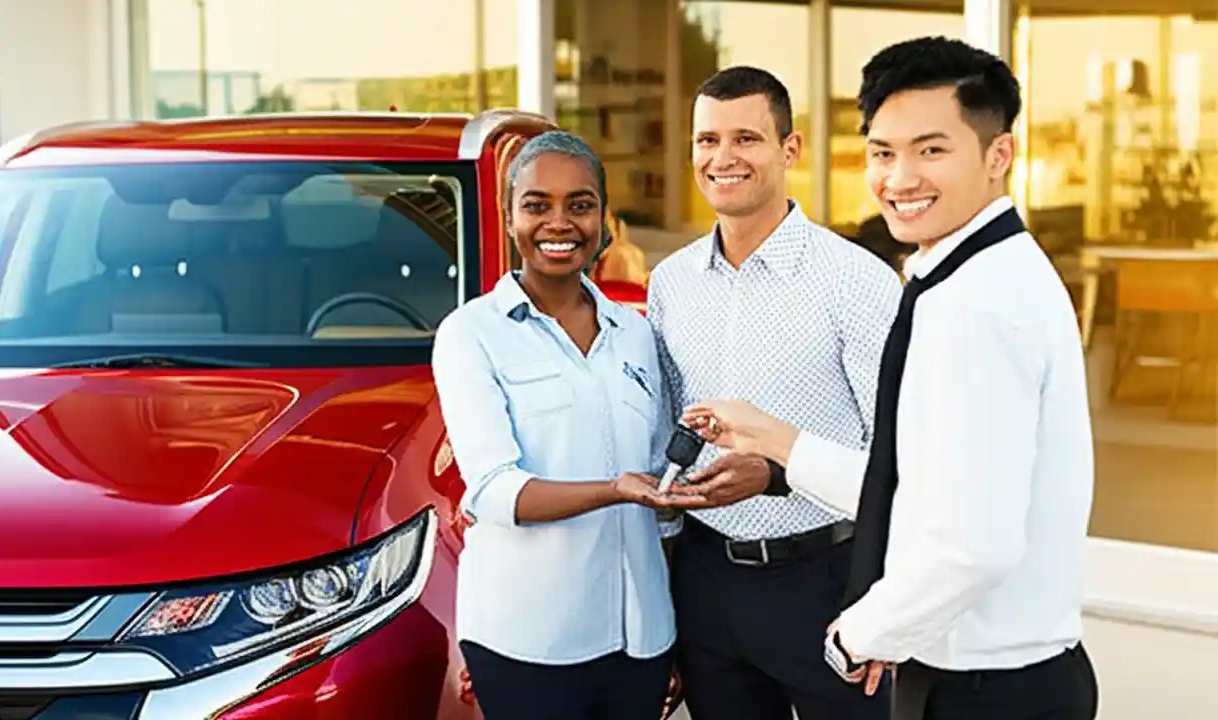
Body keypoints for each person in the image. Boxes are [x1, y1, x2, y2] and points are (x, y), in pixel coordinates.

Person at [688, 38, 1099, 720]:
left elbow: (971, 546)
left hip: (985, 691)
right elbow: (921, 492)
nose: (899, 177)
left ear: (999, 156)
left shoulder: (974, 304)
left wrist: (866, 631)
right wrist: (779, 441)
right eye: (883, 152)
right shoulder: (978, 274)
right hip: (1009, 680)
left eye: (932, 150)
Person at [646, 65, 902, 720]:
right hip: (706, 584)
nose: (722, 158)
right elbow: (670, 443)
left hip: (827, 581)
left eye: (745, 139)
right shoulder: (670, 284)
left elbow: (899, 457)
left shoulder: (857, 281)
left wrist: (887, 604)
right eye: (707, 141)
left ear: (790, 150)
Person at [431, 130, 704, 720]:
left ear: (603, 220)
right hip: (530, 639)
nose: (560, 223)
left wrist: (676, 631)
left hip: (640, 637)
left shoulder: (635, 334)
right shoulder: (471, 334)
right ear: (509, 218)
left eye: (580, 205)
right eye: (537, 205)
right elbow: (496, 490)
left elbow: (662, 502)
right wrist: (614, 490)